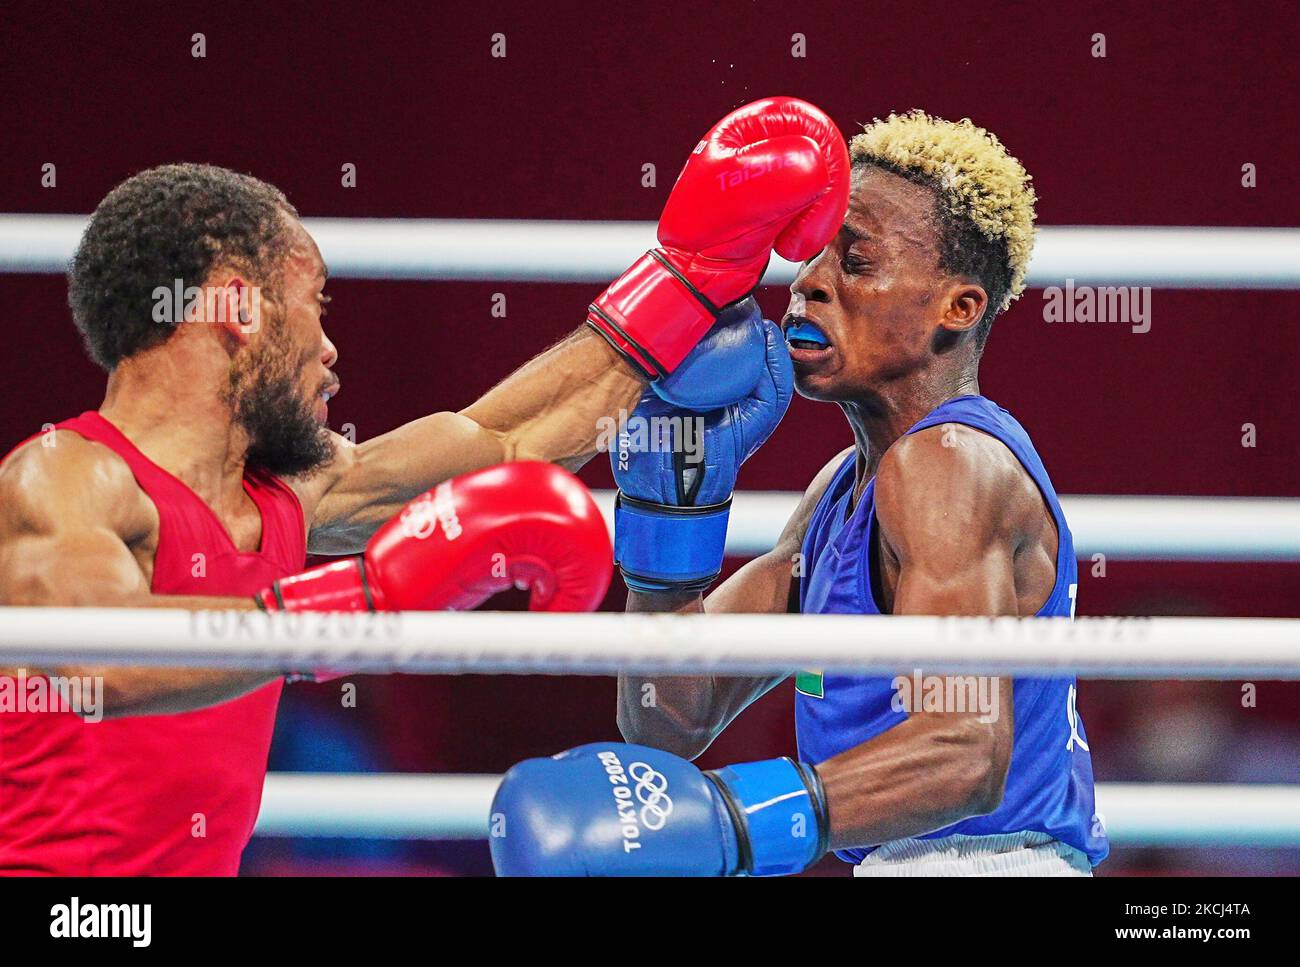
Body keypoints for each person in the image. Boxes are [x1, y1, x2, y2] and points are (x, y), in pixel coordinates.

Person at [0, 97, 850, 874]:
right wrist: (365, 597)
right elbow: (100, 658)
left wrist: (686, 278)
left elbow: (505, 440)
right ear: (238, 309)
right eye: (315, 303)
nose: (330, 349)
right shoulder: (65, 474)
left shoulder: (288, 492)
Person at [490, 111, 1110, 877]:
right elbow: (672, 717)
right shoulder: (842, 491)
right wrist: (671, 519)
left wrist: (731, 820)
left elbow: (964, 751)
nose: (810, 281)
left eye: (857, 260)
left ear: (958, 308)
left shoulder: (950, 464)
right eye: (813, 254)